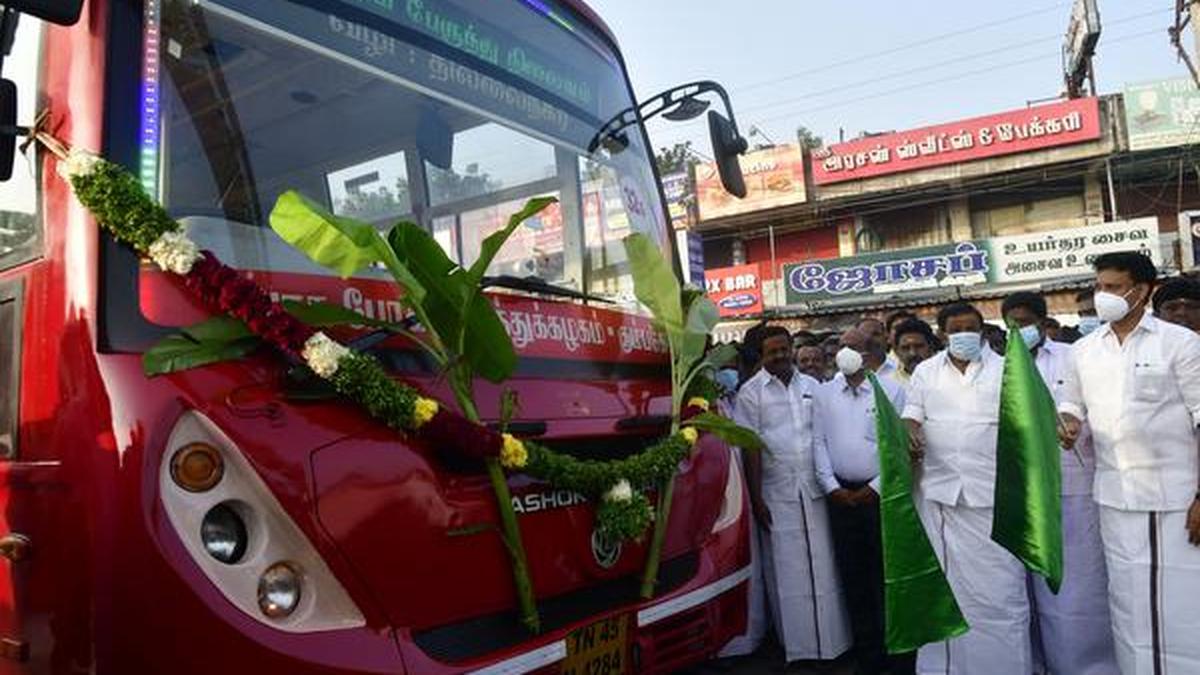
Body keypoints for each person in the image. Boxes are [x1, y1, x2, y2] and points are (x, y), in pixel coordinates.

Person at [1057, 252, 1200, 675]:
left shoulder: (1181, 343)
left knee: (1180, 604)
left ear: (1143, 291)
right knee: (1128, 604)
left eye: (1115, 287)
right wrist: (1066, 424)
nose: (1105, 296)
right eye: (1101, 286)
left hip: (1175, 499)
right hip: (1115, 497)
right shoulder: (1083, 350)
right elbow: (1071, 406)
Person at [902, 302, 1032, 675]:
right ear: (942, 334)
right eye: (955, 329)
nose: (963, 335)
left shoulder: (1009, 369)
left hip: (995, 497)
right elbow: (913, 412)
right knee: (947, 592)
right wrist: (910, 428)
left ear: (982, 330)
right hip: (941, 497)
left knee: (1001, 593)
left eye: (970, 328)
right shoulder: (926, 372)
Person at [1000, 291, 1118, 675]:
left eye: (1025, 321)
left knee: (1077, 587)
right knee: (1026, 590)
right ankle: (1037, 663)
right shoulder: (1001, 367)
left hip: (1074, 486)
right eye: (1012, 323)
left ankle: (1088, 666)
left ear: (1041, 321)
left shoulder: (1074, 357)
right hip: (1025, 493)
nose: (1019, 329)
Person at [737, 326, 852, 666]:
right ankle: (799, 650)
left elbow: (825, 436)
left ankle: (834, 646)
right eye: (772, 352)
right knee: (786, 571)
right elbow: (751, 448)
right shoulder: (751, 393)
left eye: (784, 349)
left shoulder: (813, 386)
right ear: (761, 356)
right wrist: (756, 498)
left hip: (816, 489)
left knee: (824, 564)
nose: (780, 356)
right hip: (776, 492)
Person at [815, 329, 915, 675]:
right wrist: (831, 486)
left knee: (886, 579)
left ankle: (899, 656)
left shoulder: (891, 391)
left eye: (853, 347)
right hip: (840, 498)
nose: (844, 352)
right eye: (841, 346)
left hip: (880, 498)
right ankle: (868, 658)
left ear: (870, 353)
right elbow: (818, 443)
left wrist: (875, 487)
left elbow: (899, 448)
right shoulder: (825, 394)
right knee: (853, 579)